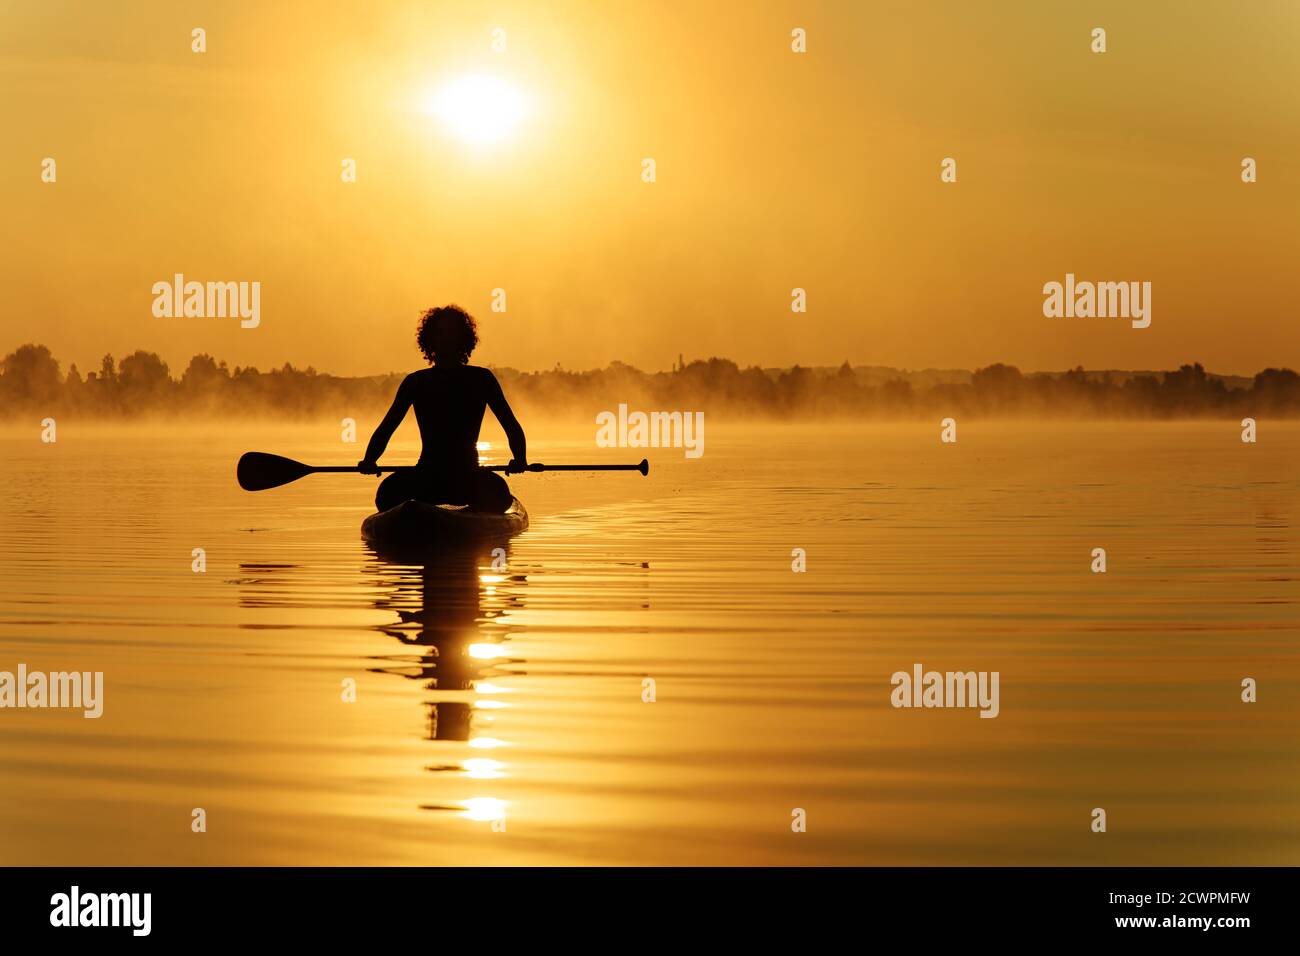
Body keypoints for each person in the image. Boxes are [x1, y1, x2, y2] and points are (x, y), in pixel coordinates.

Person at [359, 305, 527, 512]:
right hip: (427, 477)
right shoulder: (416, 382)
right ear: (430, 340)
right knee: (387, 492)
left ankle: (465, 518)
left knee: (499, 491)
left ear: (462, 339)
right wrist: (369, 460)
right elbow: (387, 427)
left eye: (451, 332)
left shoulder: (482, 379)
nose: (446, 338)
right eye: (440, 333)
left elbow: (510, 424)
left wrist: (520, 459)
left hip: (468, 479)